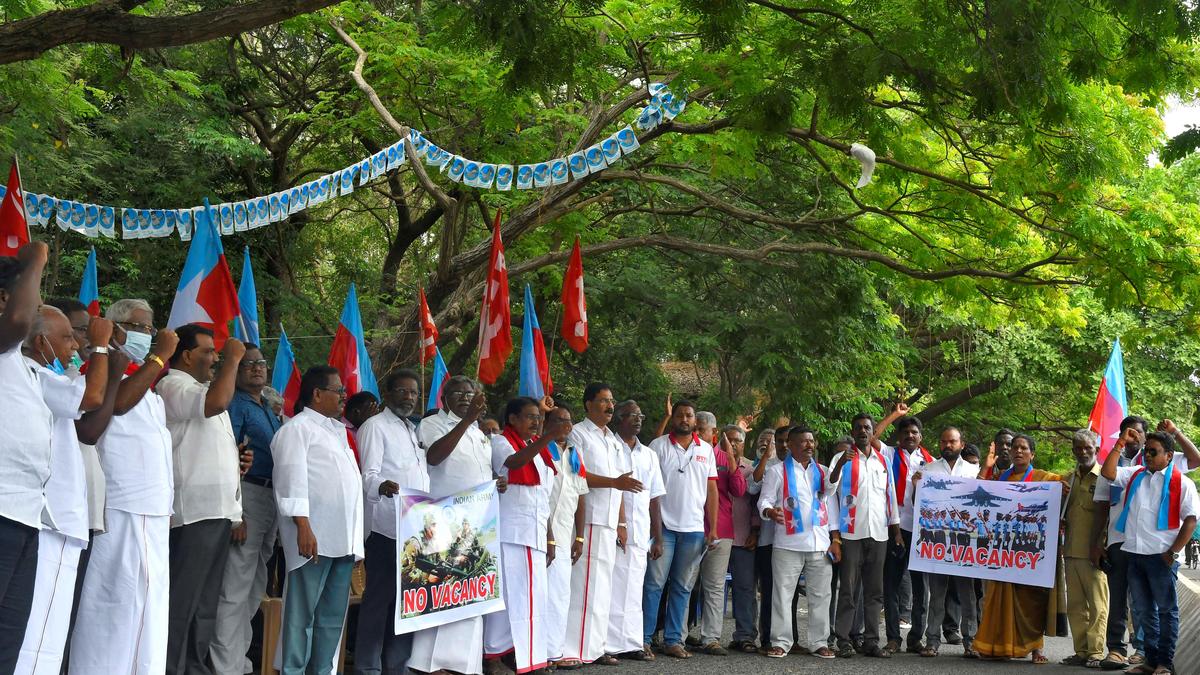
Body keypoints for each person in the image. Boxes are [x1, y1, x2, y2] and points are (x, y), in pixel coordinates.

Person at [70, 299, 179, 674]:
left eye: (151, 329)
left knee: (149, 609)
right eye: (140, 327)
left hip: (152, 509)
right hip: (120, 503)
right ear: (114, 329)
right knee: (114, 604)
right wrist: (161, 357)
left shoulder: (145, 382)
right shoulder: (100, 369)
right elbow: (117, 405)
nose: (149, 336)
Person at [15, 306, 119, 675]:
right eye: (67, 338)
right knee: (41, 629)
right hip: (51, 522)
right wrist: (102, 348)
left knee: (50, 628)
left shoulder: (45, 375)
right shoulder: (35, 374)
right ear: (40, 342)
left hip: (55, 520)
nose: (75, 345)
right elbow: (90, 399)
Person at [159, 325, 247, 675]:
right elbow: (217, 402)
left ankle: (195, 668)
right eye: (209, 351)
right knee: (183, 601)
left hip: (218, 511)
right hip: (192, 512)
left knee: (206, 604)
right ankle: (169, 668)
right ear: (186, 355)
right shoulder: (172, 384)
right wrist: (234, 359)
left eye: (218, 352)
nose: (215, 357)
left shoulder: (204, 389)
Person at [271, 366, 364, 675]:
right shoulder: (296, 429)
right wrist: (303, 526)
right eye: (339, 391)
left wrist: (356, 543)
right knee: (301, 617)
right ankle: (293, 671)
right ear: (316, 393)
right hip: (313, 538)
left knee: (331, 619)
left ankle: (320, 671)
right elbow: (290, 479)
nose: (344, 397)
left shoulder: (337, 432)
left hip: (343, 541)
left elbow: (347, 487)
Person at [408, 376, 497, 675]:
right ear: (444, 398)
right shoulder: (433, 424)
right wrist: (466, 421)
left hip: (477, 523)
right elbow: (434, 457)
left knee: (471, 592)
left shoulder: (479, 433)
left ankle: (465, 664)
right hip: (443, 520)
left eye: (470, 393)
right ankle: (431, 664)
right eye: (458, 393)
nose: (465, 397)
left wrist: (496, 485)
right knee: (443, 591)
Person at [1100, 425, 1199, 675]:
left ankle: (1165, 663)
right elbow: (1108, 471)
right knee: (1144, 613)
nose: (1147, 456)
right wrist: (1120, 442)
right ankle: (1151, 661)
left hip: (1161, 558)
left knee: (1166, 611)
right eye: (1146, 451)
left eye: (1153, 452)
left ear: (1168, 455)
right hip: (1134, 555)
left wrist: (1173, 553)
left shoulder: (1183, 483)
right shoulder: (1136, 475)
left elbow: (1190, 520)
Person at [211, 343, 284, 675]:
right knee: (234, 585)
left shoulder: (267, 407)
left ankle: (239, 660)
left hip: (272, 496)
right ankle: (224, 665)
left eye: (261, 363)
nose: (257, 368)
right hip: (248, 492)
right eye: (248, 364)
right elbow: (229, 458)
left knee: (255, 584)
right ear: (235, 371)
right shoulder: (235, 406)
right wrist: (236, 511)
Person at [559, 383, 642, 668]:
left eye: (611, 400)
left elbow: (622, 483)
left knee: (604, 589)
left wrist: (621, 521)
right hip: (589, 518)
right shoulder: (578, 434)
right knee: (582, 587)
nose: (609, 406)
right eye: (603, 401)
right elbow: (577, 474)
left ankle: (595, 646)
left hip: (608, 522)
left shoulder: (613, 440)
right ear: (587, 404)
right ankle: (572, 649)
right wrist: (615, 483)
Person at [481, 396, 565, 675]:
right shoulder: (501, 441)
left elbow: (543, 496)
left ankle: (523, 654)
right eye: (530, 417)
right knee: (506, 597)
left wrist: (550, 536)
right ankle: (493, 654)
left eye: (538, 418)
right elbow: (513, 464)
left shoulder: (536, 448)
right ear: (513, 419)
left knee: (532, 599)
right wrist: (546, 438)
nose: (536, 422)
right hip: (511, 532)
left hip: (536, 533)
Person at [0, 242, 52, 671]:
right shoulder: (5, 336)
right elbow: (18, 321)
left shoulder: (19, 361)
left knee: (9, 642)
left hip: (24, 515)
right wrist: (34, 258)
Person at [354, 369, 426, 675]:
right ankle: (367, 668)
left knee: (407, 603)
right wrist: (381, 486)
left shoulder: (412, 429)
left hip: (415, 530)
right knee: (378, 602)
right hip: (386, 528)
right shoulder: (374, 426)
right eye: (402, 391)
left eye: (413, 392)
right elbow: (367, 474)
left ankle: (396, 667)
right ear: (387, 393)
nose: (409, 397)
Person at [974, 434, 1063, 664]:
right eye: (1015, 447)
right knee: (998, 597)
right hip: (1003, 552)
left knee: (1032, 599)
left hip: (1029, 551)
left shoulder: (1045, 478)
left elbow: (1064, 489)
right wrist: (986, 467)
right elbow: (978, 490)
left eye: (1024, 448)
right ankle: (997, 645)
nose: (1018, 451)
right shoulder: (1001, 479)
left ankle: (1036, 648)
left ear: (1032, 454)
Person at [758, 426, 841, 658]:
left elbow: (830, 499)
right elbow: (764, 500)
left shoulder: (823, 471)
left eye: (812, 441)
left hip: (819, 544)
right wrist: (769, 512)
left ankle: (819, 642)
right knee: (782, 594)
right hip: (788, 544)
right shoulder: (776, 471)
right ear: (791, 445)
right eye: (804, 442)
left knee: (821, 596)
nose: (810, 445)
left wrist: (835, 539)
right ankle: (781, 642)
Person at [644, 400, 718, 660]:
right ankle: (643, 639)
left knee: (683, 587)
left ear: (695, 420)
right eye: (680, 415)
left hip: (695, 529)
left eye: (689, 415)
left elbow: (711, 489)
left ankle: (674, 640)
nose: (684, 419)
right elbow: (650, 490)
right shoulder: (658, 446)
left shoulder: (706, 450)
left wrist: (713, 527)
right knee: (654, 585)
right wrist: (655, 530)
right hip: (663, 527)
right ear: (672, 418)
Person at [828, 413, 901, 659]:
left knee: (874, 590)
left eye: (867, 428)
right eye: (858, 427)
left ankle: (871, 640)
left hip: (879, 533)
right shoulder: (842, 457)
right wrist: (835, 536)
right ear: (853, 431)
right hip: (851, 533)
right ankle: (844, 639)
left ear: (873, 432)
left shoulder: (882, 460)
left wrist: (896, 531)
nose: (863, 431)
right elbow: (829, 490)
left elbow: (890, 496)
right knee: (848, 589)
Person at [913, 427, 980, 658]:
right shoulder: (928, 470)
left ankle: (970, 641)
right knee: (937, 593)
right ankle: (932, 641)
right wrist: (916, 486)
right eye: (943, 442)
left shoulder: (974, 470)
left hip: (965, 542)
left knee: (967, 594)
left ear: (961, 444)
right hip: (938, 541)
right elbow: (917, 504)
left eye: (952, 441)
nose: (947, 445)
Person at [605, 401, 665, 662]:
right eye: (633, 415)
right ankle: (605, 643)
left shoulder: (648, 454)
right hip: (613, 529)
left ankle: (632, 642)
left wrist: (658, 537)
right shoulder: (610, 446)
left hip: (640, 532)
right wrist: (620, 525)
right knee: (611, 588)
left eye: (641, 415)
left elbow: (654, 497)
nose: (639, 420)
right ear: (619, 418)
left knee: (633, 589)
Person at [1093, 415, 1148, 670]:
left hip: (1147, 542)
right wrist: (1098, 541)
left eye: (1137, 432)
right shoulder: (1111, 462)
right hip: (1117, 540)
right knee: (1117, 599)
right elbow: (1102, 506)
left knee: (1143, 598)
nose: (1132, 436)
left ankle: (1143, 650)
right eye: (1128, 432)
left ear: (1145, 436)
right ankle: (1115, 649)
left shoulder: (1155, 462)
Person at [876, 405, 933, 655]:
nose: (910, 435)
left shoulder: (932, 463)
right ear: (899, 437)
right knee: (891, 584)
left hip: (923, 532)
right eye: (905, 432)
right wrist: (895, 416)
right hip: (895, 528)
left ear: (921, 436)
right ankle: (892, 638)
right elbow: (874, 436)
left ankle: (915, 638)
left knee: (921, 588)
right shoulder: (889, 454)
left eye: (914, 432)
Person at [690, 412, 746, 655]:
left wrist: (731, 457)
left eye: (701, 429)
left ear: (713, 432)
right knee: (684, 585)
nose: (697, 432)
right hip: (689, 527)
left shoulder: (723, 457)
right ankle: (677, 635)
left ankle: (710, 637)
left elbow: (739, 489)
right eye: (695, 427)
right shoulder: (688, 451)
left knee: (714, 586)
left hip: (721, 529)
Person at [543, 405, 589, 667]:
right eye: (559, 420)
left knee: (560, 593)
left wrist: (579, 537)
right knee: (540, 593)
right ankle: (535, 653)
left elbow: (581, 496)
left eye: (569, 421)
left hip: (564, 533)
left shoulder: (574, 454)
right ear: (547, 423)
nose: (566, 425)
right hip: (540, 531)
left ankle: (554, 652)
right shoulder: (540, 450)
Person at [1059, 428, 1108, 668]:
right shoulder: (1067, 479)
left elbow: (1109, 517)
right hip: (1070, 551)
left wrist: (1100, 547)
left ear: (1096, 450)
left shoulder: (1106, 478)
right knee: (1076, 606)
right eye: (1078, 448)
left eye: (1087, 448)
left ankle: (1096, 651)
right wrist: (1059, 497)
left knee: (1098, 604)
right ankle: (1081, 651)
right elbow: (1059, 513)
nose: (1083, 452)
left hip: (1094, 552)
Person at [724, 425, 760, 653]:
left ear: (743, 443)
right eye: (729, 440)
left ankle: (745, 635)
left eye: (737, 440)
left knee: (745, 589)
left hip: (743, 536)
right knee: (704, 588)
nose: (733, 444)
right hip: (715, 536)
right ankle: (702, 635)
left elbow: (758, 501)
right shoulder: (712, 462)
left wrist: (755, 531)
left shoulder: (751, 468)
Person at [748, 427, 782, 652]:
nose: (767, 444)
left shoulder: (785, 465)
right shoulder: (758, 465)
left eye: (772, 441)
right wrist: (765, 458)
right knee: (767, 589)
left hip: (788, 539)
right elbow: (752, 488)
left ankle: (789, 637)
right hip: (765, 539)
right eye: (763, 440)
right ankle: (767, 638)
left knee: (783, 591)